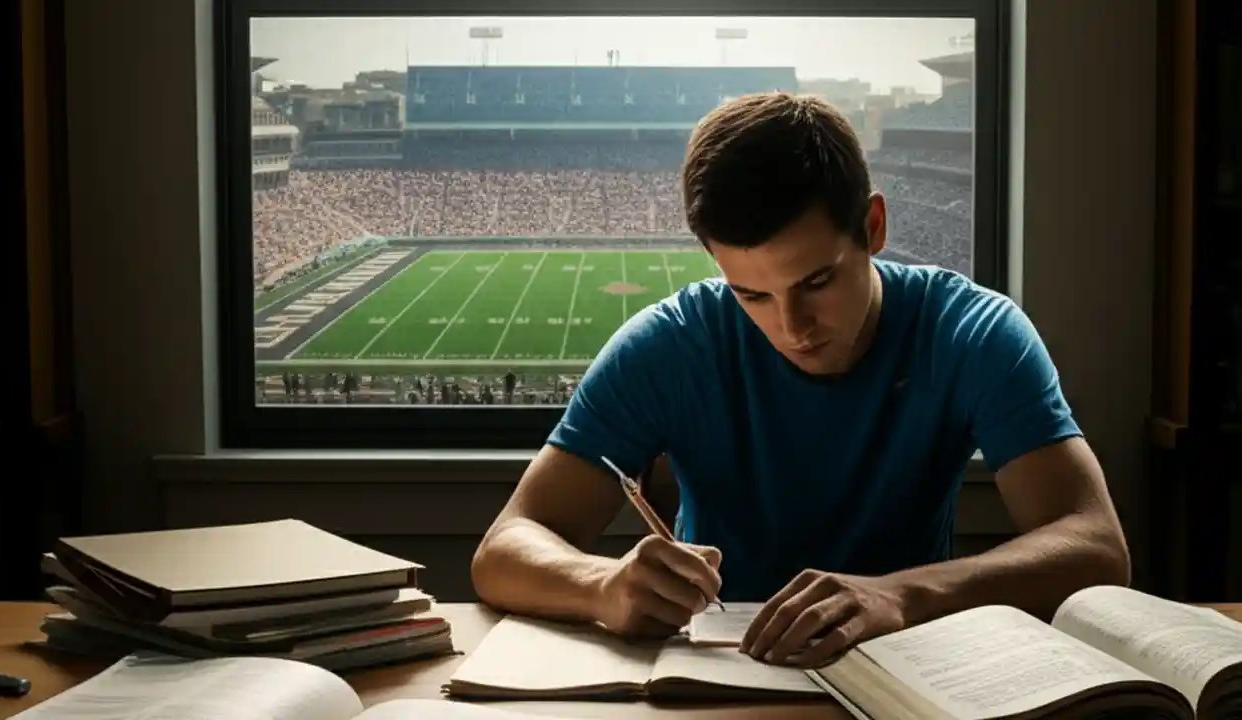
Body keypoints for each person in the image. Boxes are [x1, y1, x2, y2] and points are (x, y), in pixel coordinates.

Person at [472, 92, 1132, 667]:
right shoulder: (669, 343)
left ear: (873, 227)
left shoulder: (973, 331)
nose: (793, 326)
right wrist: (601, 584)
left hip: (909, 663)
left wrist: (899, 593)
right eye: (751, 294)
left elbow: (1097, 548)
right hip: (715, 671)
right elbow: (505, 546)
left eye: (816, 281)